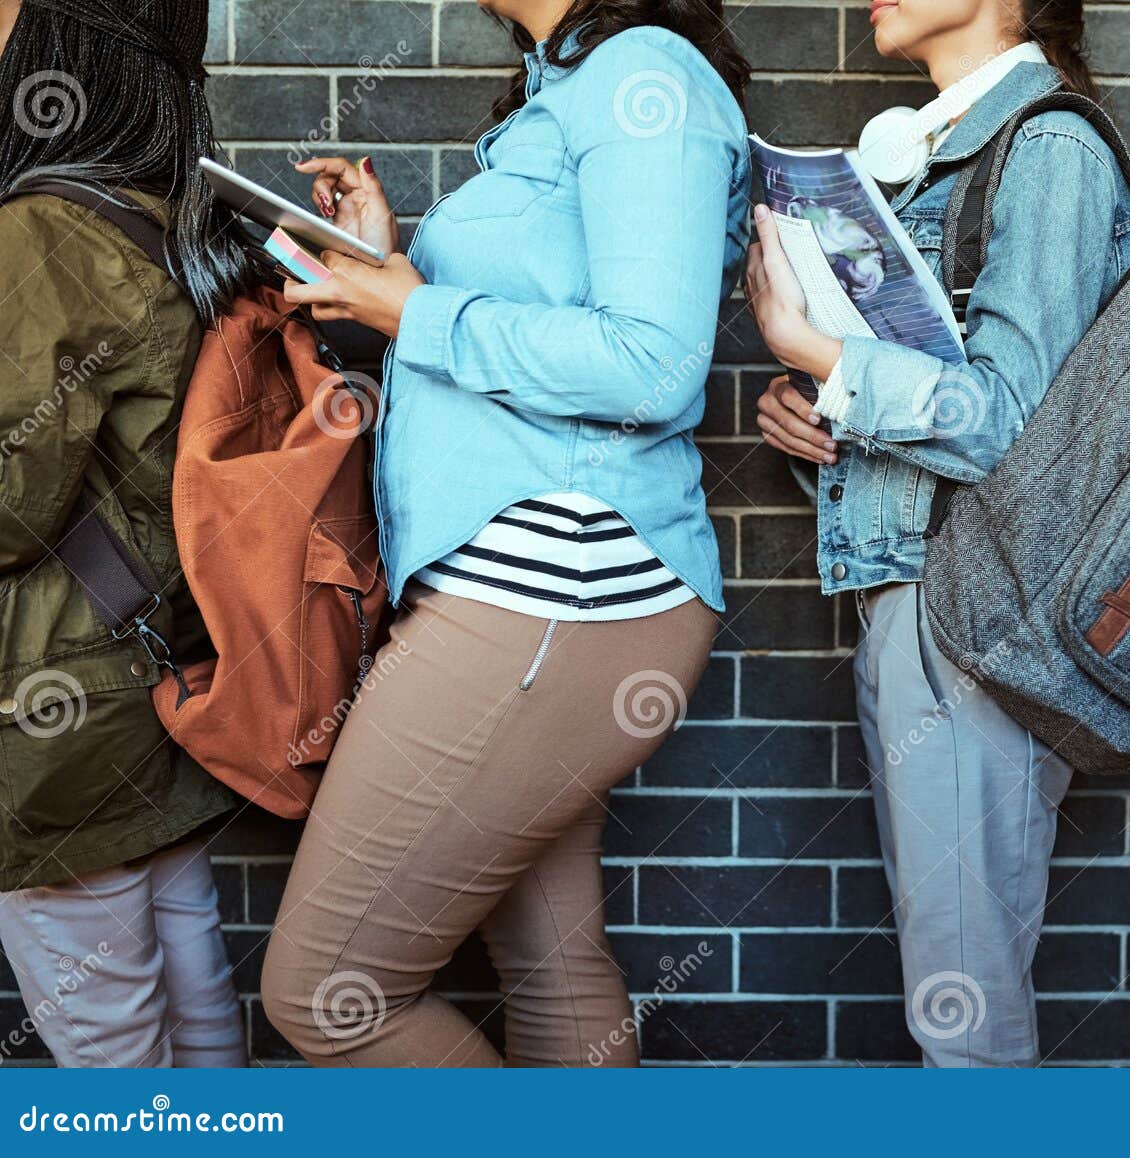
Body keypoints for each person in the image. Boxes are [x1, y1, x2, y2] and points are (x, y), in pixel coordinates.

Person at [259, 0, 750, 1067]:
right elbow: (547, 326)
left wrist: (412, 312)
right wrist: (389, 274)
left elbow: (653, 368)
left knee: (327, 997)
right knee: (553, 968)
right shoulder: (575, 87)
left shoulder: (641, 76)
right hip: (528, 593)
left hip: (552, 593)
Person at [746, 0, 1130, 1066]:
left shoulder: (1048, 143)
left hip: (975, 617)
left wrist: (828, 362)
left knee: (961, 1010)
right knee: (957, 988)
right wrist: (819, 420)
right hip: (925, 600)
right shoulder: (946, 150)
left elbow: (1009, 424)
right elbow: (946, 415)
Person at [0, 0, 257, 1067]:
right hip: (154, 677)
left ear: (59, 55)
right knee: (190, 984)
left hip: (55, 702)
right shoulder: (179, 218)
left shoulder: (44, 233)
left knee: (106, 1041)